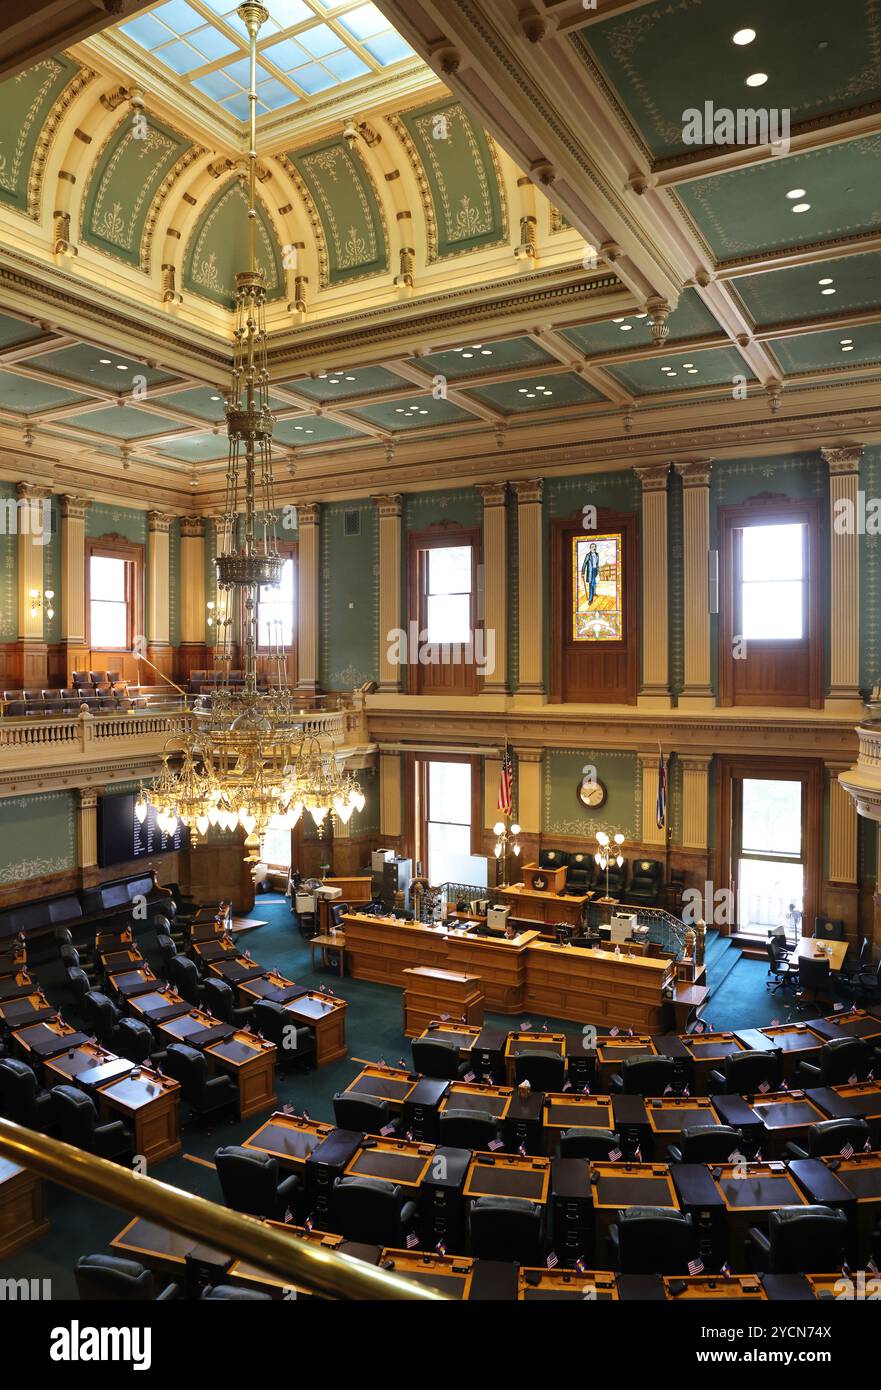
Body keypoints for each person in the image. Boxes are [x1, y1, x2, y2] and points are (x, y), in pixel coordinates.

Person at [581, 542, 600, 606]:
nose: (594, 548)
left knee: (594, 583)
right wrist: (583, 572)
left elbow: (597, 564)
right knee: (591, 585)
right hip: (590, 571)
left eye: (594, 547)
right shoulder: (588, 555)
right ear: (590, 548)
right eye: (592, 547)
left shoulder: (597, 554)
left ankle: (594, 593)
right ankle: (590, 599)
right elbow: (584, 563)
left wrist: (598, 570)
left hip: (595, 570)